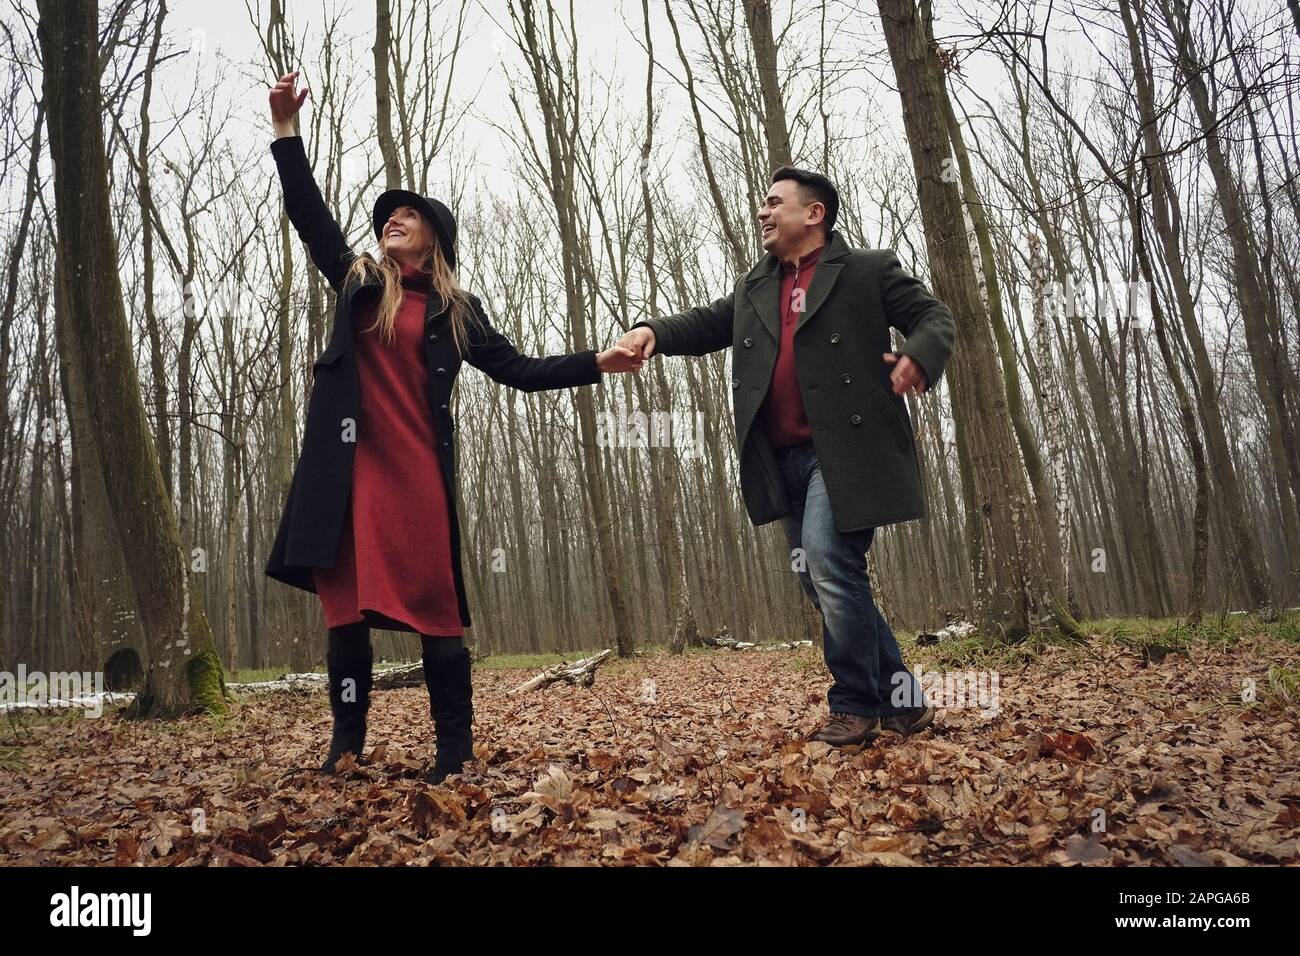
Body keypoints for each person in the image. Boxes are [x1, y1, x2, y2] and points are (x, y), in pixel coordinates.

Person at [263, 71, 640, 783]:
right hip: (345, 475)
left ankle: (454, 750)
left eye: (407, 213)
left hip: (416, 477)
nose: (391, 218)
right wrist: (286, 133)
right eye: (386, 215)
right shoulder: (360, 285)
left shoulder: (455, 310)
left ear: (434, 236)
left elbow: (520, 369)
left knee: (438, 612)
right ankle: (346, 745)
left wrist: (599, 361)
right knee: (343, 613)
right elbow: (311, 219)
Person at [618, 166, 956, 747]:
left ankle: (855, 706)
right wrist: (653, 331)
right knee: (819, 578)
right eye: (762, 204)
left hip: (845, 454)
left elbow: (934, 317)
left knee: (827, 561)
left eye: (775, 203)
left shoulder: (867, 270)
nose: (763, 213)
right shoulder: (758, 286)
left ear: (814, 213)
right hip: (782, 460)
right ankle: (902, 700)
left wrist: (919, 357)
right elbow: (707, 322)